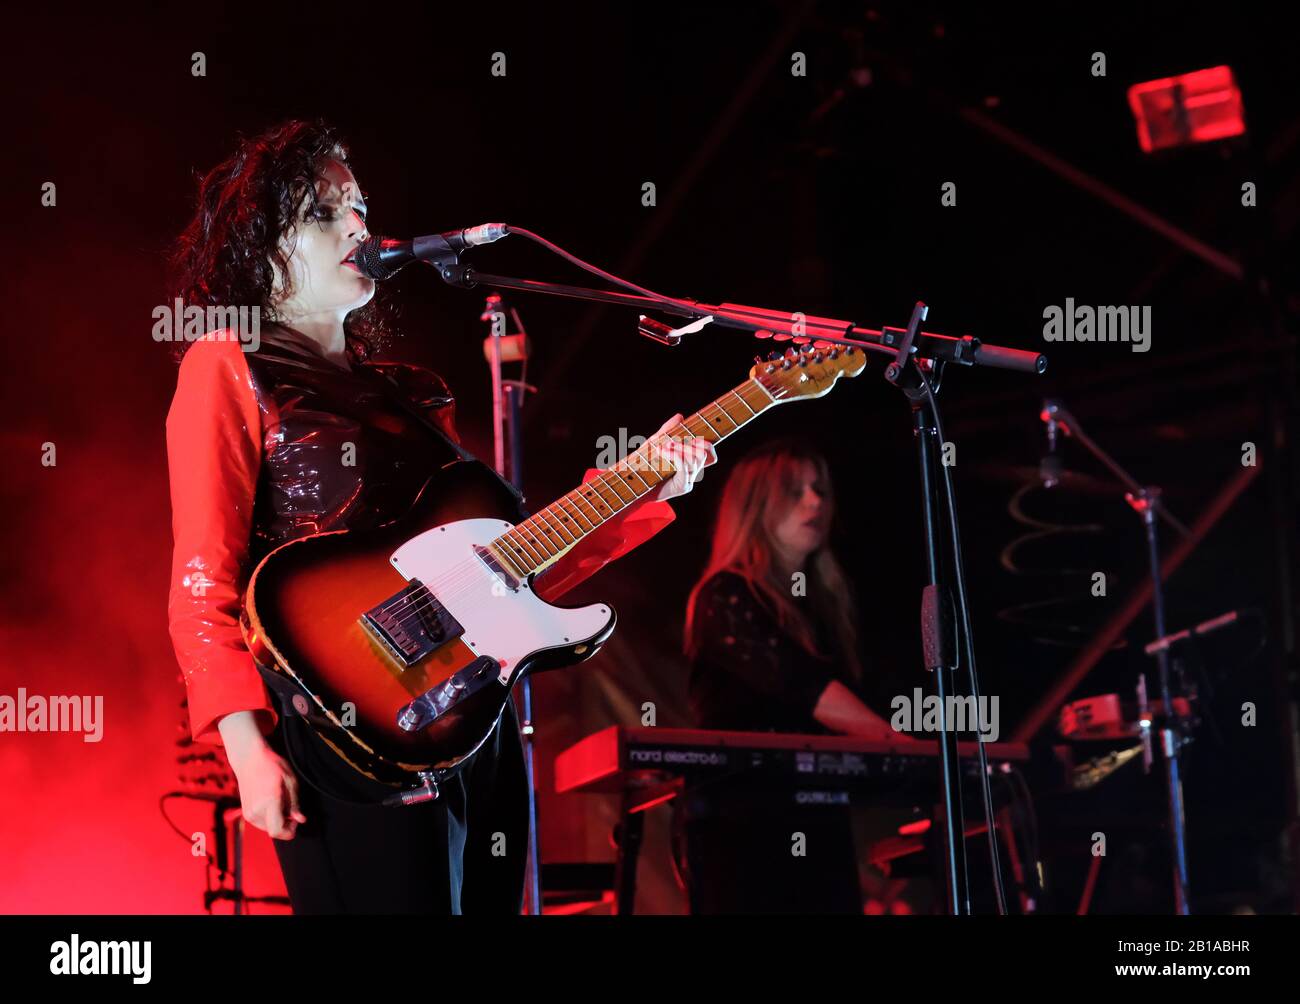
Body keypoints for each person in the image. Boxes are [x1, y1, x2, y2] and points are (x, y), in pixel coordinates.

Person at [164, 119, 715, 913]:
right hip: (343, 734)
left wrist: (646, 485)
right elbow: (200, 581)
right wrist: (245, 745)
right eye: (325, 212)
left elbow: (503, 568)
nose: (360, 225)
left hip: (472, 726)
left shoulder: (414, 396)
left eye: (360, 206)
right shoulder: (228, 364)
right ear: (266, 246)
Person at [678, 437, 909, 913]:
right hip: (745, 826)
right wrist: (896, 743)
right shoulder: (726, 594)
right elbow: (801, 684)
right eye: (794, 491)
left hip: (818, 815)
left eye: (819, 489)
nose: (816, 502)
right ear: (756, 506)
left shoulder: (823, 606)